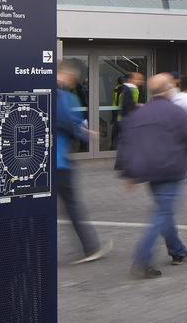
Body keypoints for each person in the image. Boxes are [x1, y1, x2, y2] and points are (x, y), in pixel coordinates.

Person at [118, 73, 187, 276]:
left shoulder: (139, 113)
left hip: (148, 170)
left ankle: (177, 251)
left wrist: (130, 172)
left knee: (164, 211)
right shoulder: (175, 111)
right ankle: (143, 258)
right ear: (168, 89)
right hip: (170, 168)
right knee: (162, 213)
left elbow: (127, 142)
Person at [56, 66, 112, 262]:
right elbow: (71, 125)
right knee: (72, 206)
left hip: (45, 162)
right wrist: (90, 134)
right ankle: (90, 247)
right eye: (71, 77)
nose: (73, 82)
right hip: (58, 163)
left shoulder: (58, 95)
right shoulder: (63, 97)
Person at [111, 72, 142, 151]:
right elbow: (128, 103)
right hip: (125, 116)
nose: (140, 81)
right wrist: (138, 106)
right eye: (138, 79)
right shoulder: (133, 89)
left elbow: (116, 101)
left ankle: (114, 148)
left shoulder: (118, 88)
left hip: (117, 114)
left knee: (116, 134)